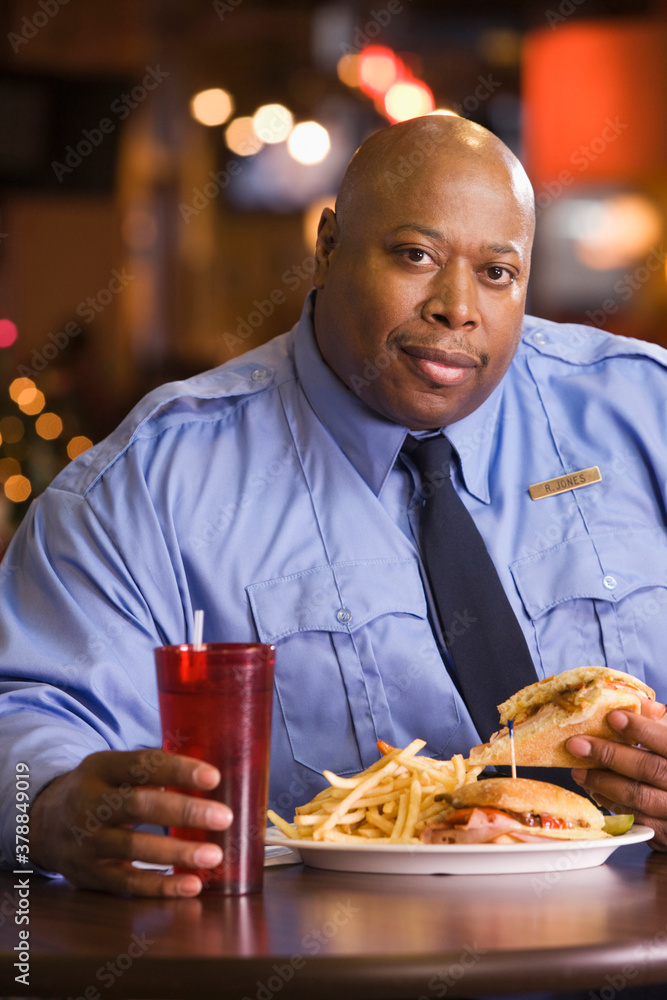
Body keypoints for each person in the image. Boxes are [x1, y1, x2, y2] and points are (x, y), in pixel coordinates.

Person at [1, 114, 667, 899]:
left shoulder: (640, 411)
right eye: (415, 256)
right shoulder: (148, 486)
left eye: (497, 273)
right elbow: (25, 712)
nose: (457, 307)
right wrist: (42, 812)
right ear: (325, 247)